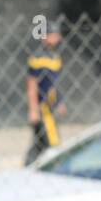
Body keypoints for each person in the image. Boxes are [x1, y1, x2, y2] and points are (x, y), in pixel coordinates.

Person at [25, 20, 66, 164]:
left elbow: (54, 83)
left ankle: (30, 165)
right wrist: (33, 109)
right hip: (42, 107)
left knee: (40, 141)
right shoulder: (37, 58)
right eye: (53, 35)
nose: (57, 38)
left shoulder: (55, 58)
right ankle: (53, 166)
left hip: (51, 104)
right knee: (52, 141)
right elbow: (31, 84)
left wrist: (59, 101)